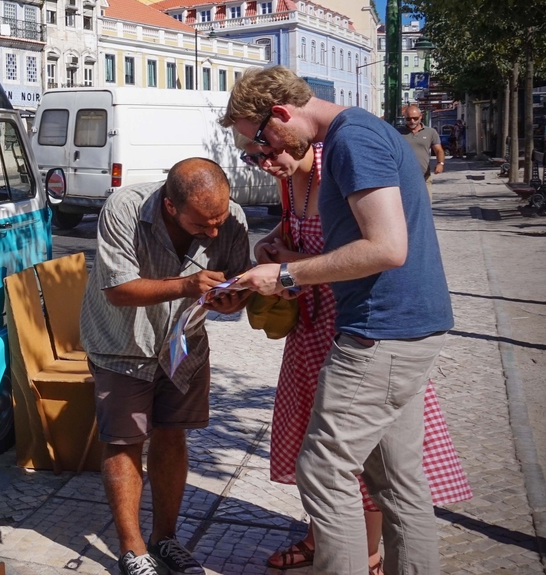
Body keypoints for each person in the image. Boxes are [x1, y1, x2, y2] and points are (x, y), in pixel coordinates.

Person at [223, 66, 454, 575]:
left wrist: (286, 275)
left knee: (325, 472)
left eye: (260, 140)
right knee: (398, 483)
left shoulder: (350, 140)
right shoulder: (361, 132)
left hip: (379, 331)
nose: (263, 155)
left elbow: (387, 248)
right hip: (405, 328)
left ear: (280, 114)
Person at [79, 158, 254, 575]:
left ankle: (165, 539)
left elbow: (240, 280)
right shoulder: (123, 209)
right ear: (171, 206)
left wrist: (235, 299)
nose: (214, 231)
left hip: (183, 347)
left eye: (220, 219)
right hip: (121, 344)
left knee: (172, 437)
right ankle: (133, 549)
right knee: (124, 443)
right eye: (202, 224)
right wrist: (187, 285)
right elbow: (118, 291)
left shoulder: (230, 218)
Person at [402, 105, 444, 198]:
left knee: (426, 208)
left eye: (415, 118)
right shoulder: (398, 133)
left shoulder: (430, 132)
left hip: (424, 178)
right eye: (408, 119)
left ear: (420, 117)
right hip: (403, 178)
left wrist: (440, 163)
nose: (412, 121)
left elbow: (439, 150)